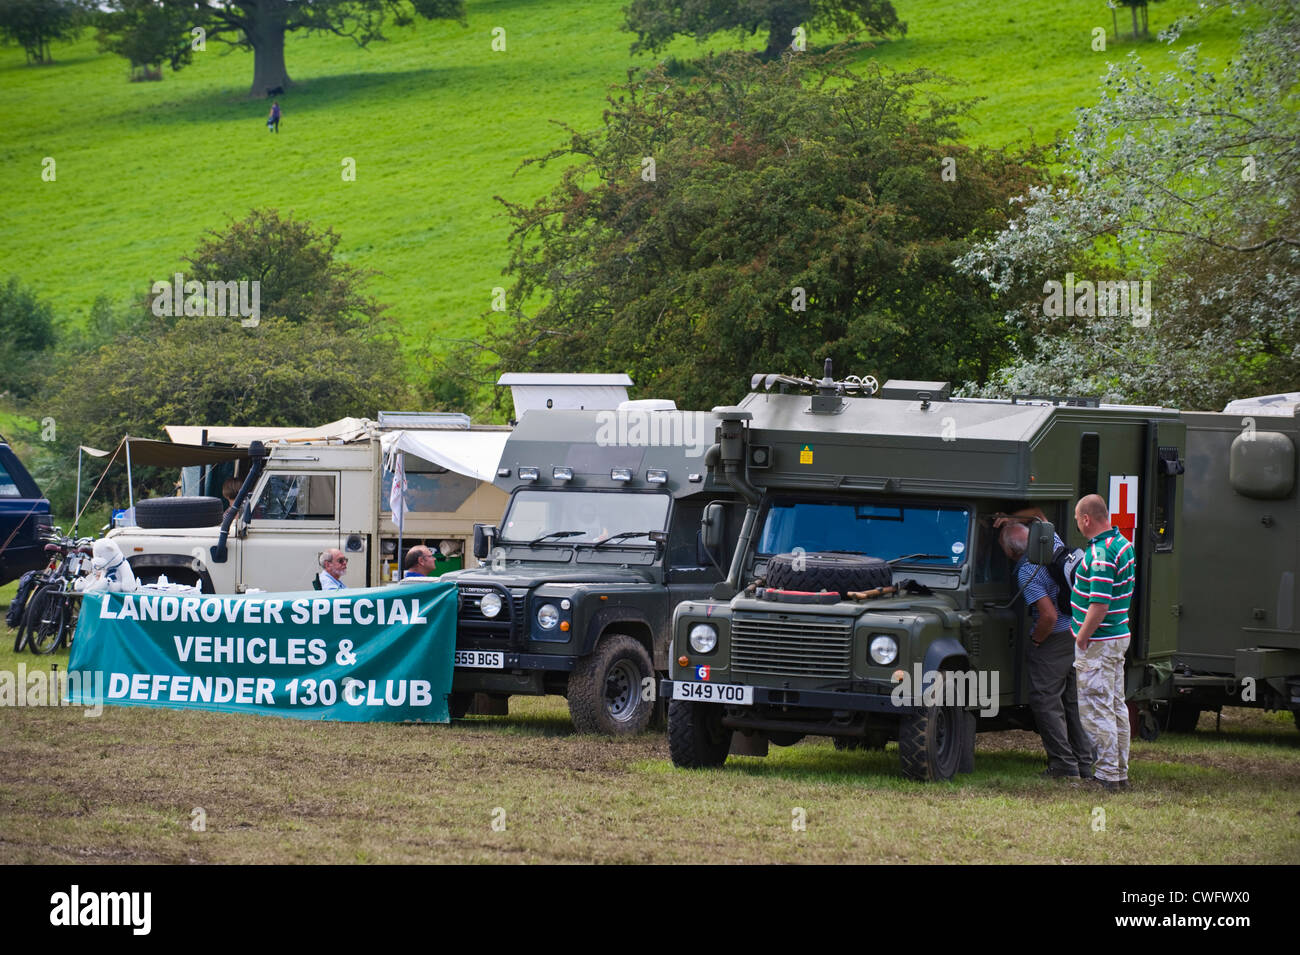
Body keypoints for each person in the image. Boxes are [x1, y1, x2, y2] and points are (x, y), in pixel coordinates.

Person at [999, 521, 1094, 780]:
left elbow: (1048, 617)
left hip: (1055, 639)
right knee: (1072, 702)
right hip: (1077, 633)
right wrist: (1010, 517)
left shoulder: (1026, 571)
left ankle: (1063, 764)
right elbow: (1040, 515)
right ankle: (1084, 763)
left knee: (1045, 701)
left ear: (1011, 552)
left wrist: (1037, 641)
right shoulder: (1053, 543)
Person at [1071, 493, 1136, 792]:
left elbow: (1099, 602)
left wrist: (1083, 636)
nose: (1077, 524)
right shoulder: (1123, 545)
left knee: (1096, 711)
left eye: (1077, 519)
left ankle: (1107, 777)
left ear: (1086, 519)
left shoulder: (1099, 553)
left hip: (1099, 640)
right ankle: (1119, 772)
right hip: (1118, 635)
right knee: (1114, 706)